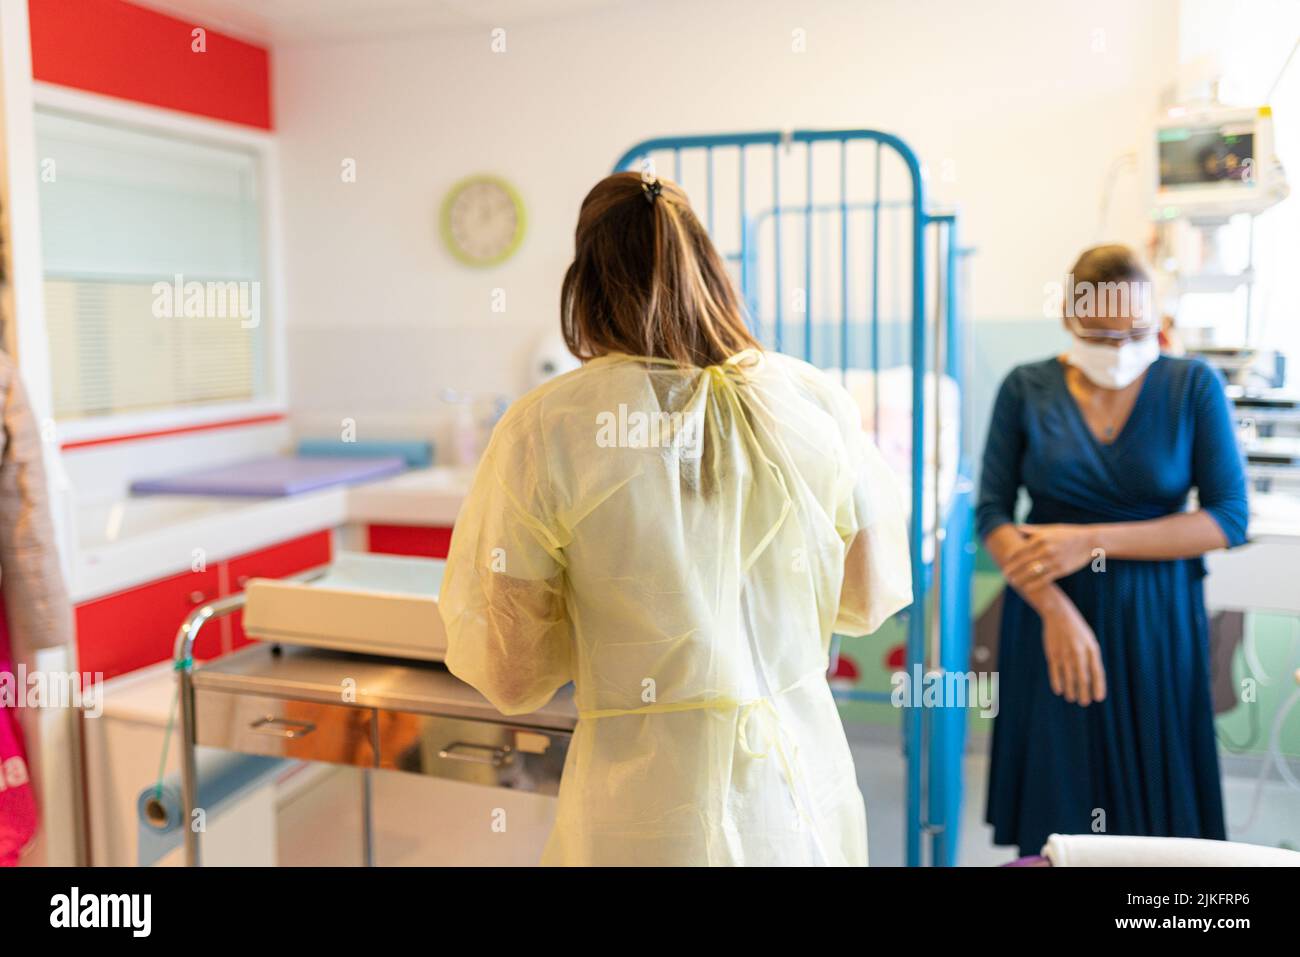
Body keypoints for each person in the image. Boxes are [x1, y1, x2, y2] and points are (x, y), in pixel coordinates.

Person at [438, 172, 912, 866]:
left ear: (585, 288)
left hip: (644, 806)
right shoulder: (816, 400)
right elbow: (867, 596)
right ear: (712, 270)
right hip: (799, 787)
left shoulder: (547, 428)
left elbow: (512, 674)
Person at [977, 244, 1248, 856]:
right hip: (1048, 620)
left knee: (1157, 809)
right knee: (1057, 803)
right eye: (1103, 334)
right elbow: (991, 513)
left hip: (1157, 622)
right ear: (1071, 322)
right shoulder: (1027, 389)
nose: (1121, 349)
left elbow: (1228, 518)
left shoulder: (1191, 387)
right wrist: (1054, 612)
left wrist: (1091, 541)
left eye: (1137, 332)